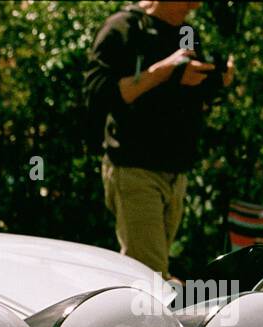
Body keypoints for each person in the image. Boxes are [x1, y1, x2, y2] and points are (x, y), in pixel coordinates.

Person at [84, 1, 235, 279]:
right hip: (135, 168)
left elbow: (185, 97)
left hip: (176, 171)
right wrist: (164, 71)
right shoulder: (124, 28)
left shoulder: (188, 32)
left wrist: (216, 81)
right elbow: (98, 94)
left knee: (148, 272)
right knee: (151, 275)